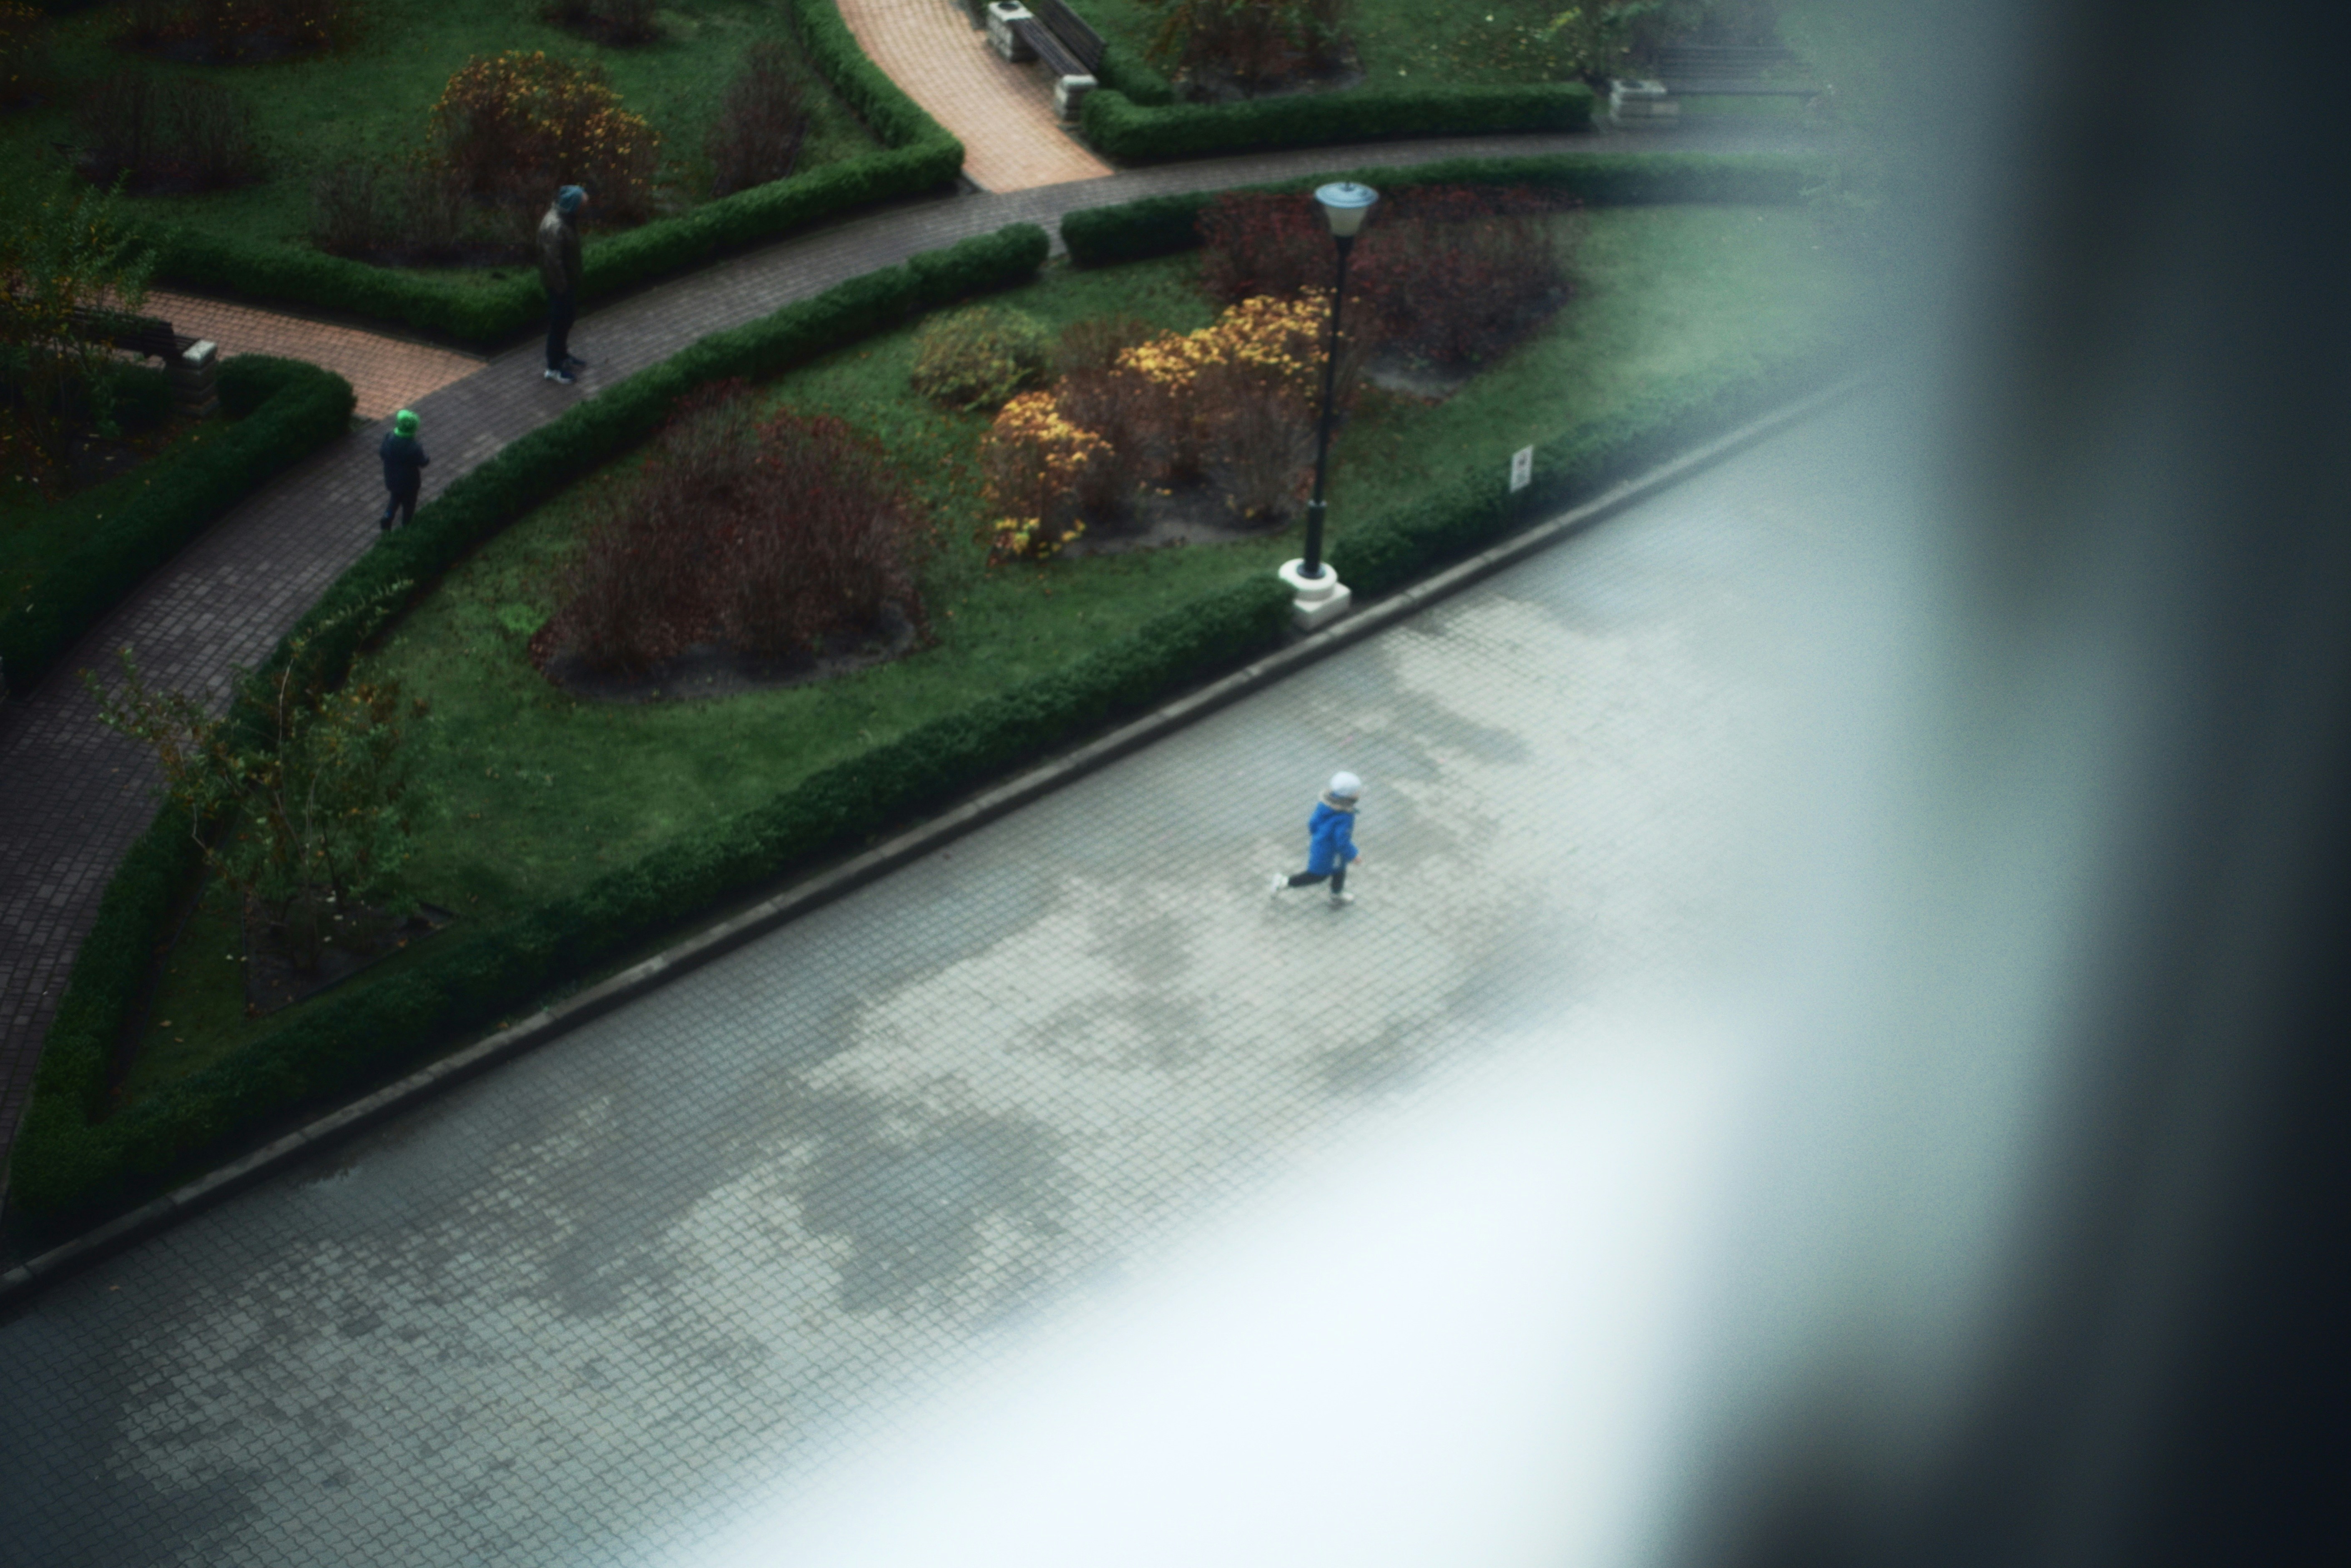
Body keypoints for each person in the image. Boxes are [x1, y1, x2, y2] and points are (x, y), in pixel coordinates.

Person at [1271, 771, 1365, 906]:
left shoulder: (1325, 804)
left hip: (1323, 845)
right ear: (1349, 795)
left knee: (1340, 871)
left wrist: (1317, 837)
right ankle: (1284, 882)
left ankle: (1336, 894)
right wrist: (1354, 855)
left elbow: (1313, 823)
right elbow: (1342, 840)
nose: (1359, 793)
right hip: (1328, 852)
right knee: (1318, 875)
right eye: (1357, 791)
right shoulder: (1345, 816)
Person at [539, 184, 589, 385]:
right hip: (560, 286)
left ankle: (562, 356)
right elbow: (553, 263)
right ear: (573, 205)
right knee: (559, 323)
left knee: (567, 320)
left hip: (566, 283)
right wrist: (563, 289)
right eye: (582, 206)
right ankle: (553, 368)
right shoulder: (556, 226)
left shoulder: (566, 219)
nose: (584, 210)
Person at [377, 408, 428, 532]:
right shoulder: (414, 447)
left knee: (394, 499)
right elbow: (422, 462)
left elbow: (382, 453)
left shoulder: (389, 437)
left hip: (392, 478)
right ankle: (407, 524)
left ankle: (387, 517)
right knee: (409, 504)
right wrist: (427, 459)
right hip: (409, 483)